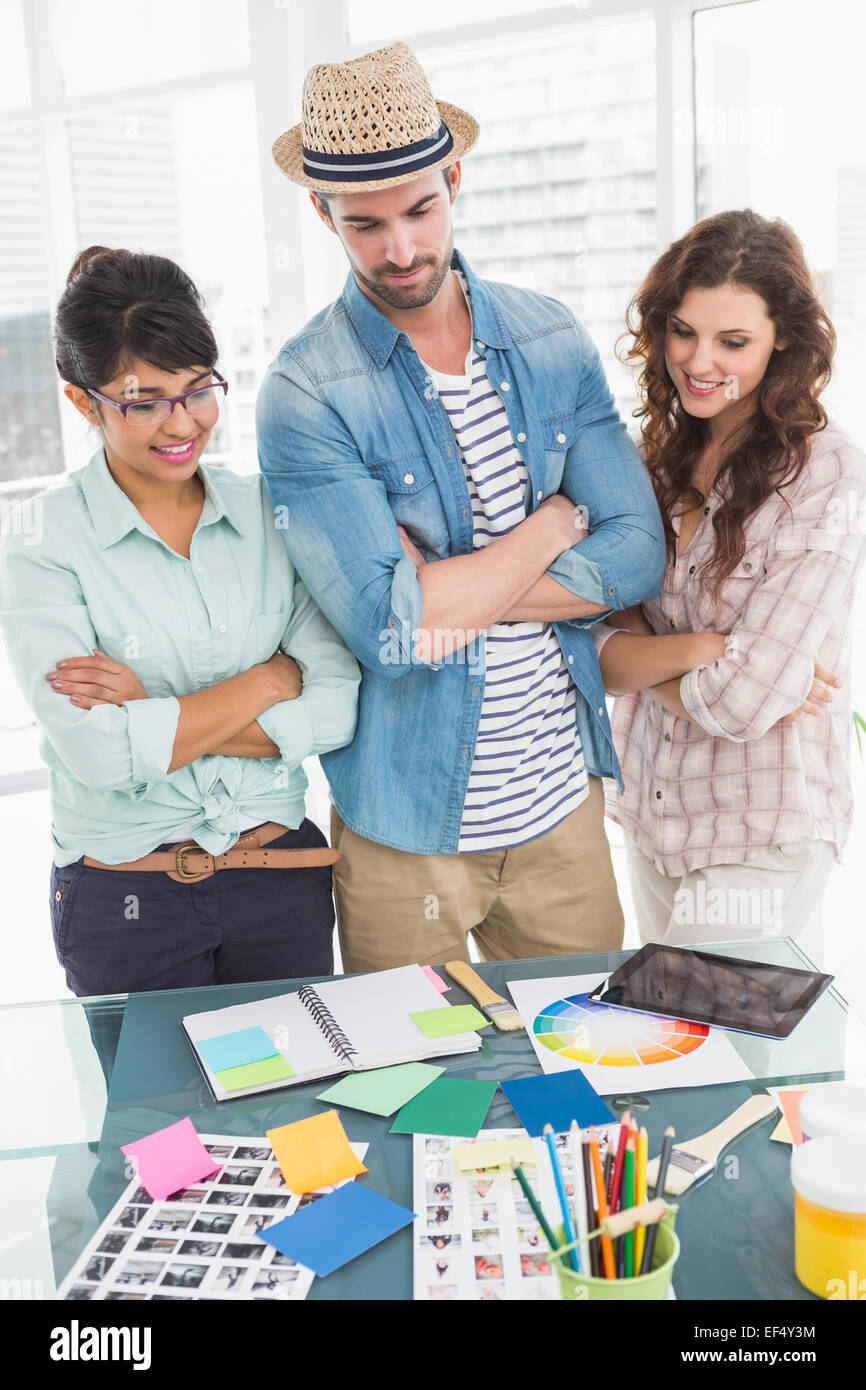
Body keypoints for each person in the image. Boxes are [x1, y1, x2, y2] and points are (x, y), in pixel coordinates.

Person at [256, 43, 667, 973]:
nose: (401, 250)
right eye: (365, 225)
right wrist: (555, 524)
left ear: (454, 177)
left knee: (579, 1083)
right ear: (321, 213)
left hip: (563, 812)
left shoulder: (551, 338)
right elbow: (391, 632)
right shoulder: (306, 392)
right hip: (406, 832)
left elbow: (640, 554)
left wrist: (446, 593)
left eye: (419, 209)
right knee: (408, 1096)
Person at [0, 247, 360, 1034]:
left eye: (199, 390)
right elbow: (97, 753)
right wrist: (269, 679)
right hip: (127, 906)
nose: (183, 423)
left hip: (281, 885)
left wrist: (155, 716)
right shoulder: (42, 541)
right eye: (146, 402)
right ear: (83, 401)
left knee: (299, 1137)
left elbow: (336, 709)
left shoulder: (269, 511)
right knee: (162, 1147)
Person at [590, 209, 866, 964]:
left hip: (759, 825)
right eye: (683, 331)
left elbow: (742, 701)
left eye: (733, 342)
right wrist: (708, 648)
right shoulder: (656, 458)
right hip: (655, 818)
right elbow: (593, 644)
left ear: (785, 341)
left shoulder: (825, 474)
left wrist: (654, 656)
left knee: (712, 1054)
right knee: (687, 1064)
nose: (699, 361)